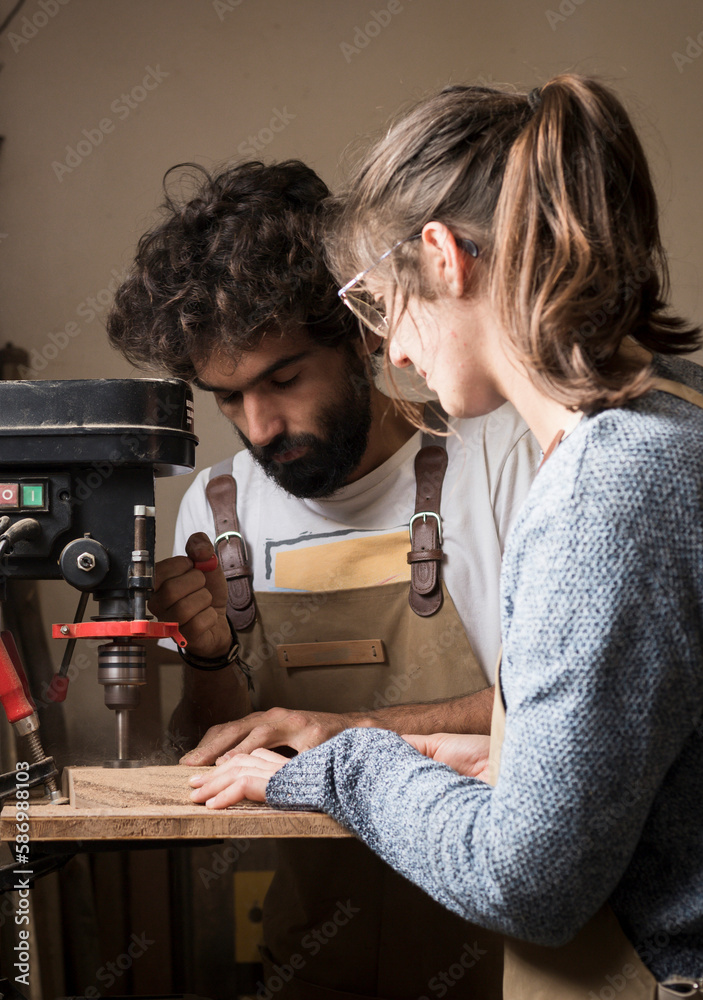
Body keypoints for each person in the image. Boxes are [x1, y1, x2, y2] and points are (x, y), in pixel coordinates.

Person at [189, 77, 703, 999]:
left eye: (380, 304)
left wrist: (348, 761)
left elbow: (530, 886)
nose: (393, 351)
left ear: (442, 257)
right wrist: (500, 759)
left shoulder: (606, 489)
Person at [107, 158, 538, 999]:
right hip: (287, 933)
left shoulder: (498, 462)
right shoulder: (214, 504)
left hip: (473, 918)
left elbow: (544, 712)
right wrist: (202, 661)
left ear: (360, 334)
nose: (261, 426)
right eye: (229, 399)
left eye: (283, 379)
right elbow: (209, 754)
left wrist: (336, 730)